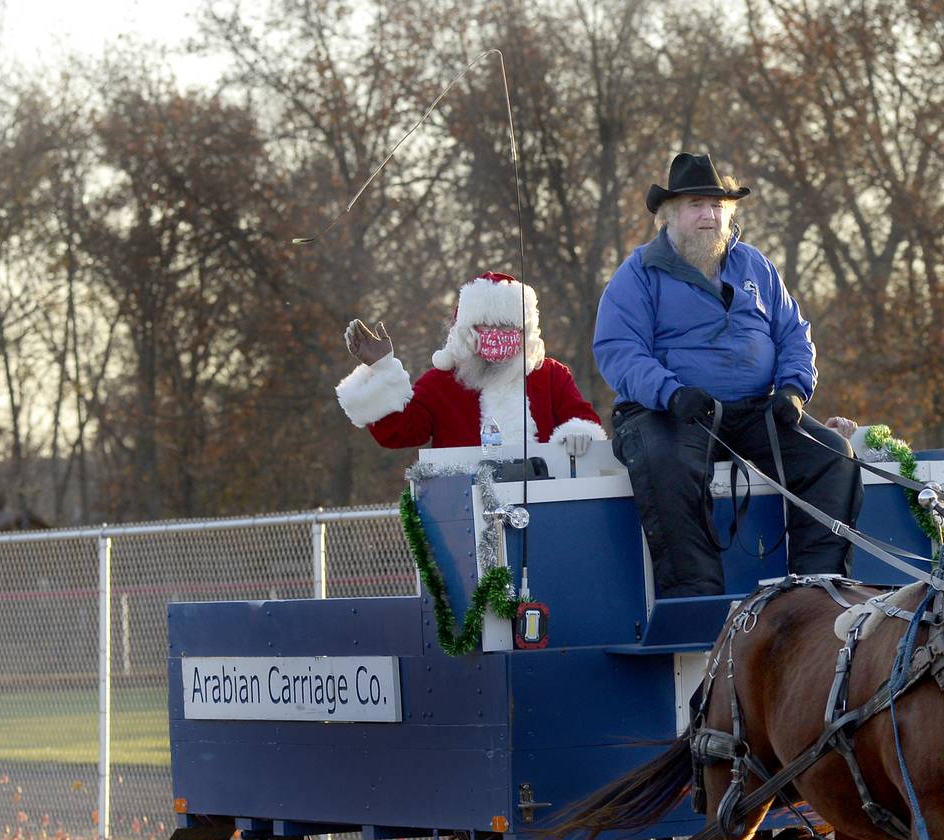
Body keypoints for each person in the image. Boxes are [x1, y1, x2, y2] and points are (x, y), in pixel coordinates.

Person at [593, 153, 863, 597]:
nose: (709, 215)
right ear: (670, 215)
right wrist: (672, 392)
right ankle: (696, 599)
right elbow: (619, 352)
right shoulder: (637, 274)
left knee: (831, 454)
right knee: (668, 465)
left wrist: (793, 390)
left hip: (757, 410)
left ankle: (818, 593)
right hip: (671, 412)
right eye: (697, 204)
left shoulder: (756, 265)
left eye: (718, 206)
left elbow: (794, 332)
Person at [336, 272, 606, 455]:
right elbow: (400, 433)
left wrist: (579, 435)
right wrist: (383, 369)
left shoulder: (549, 376)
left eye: (506, 326)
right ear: (465, 331)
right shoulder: (441, 382)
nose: (496, 335)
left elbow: (582, 420)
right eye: (486, 326)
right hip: (463, 510)